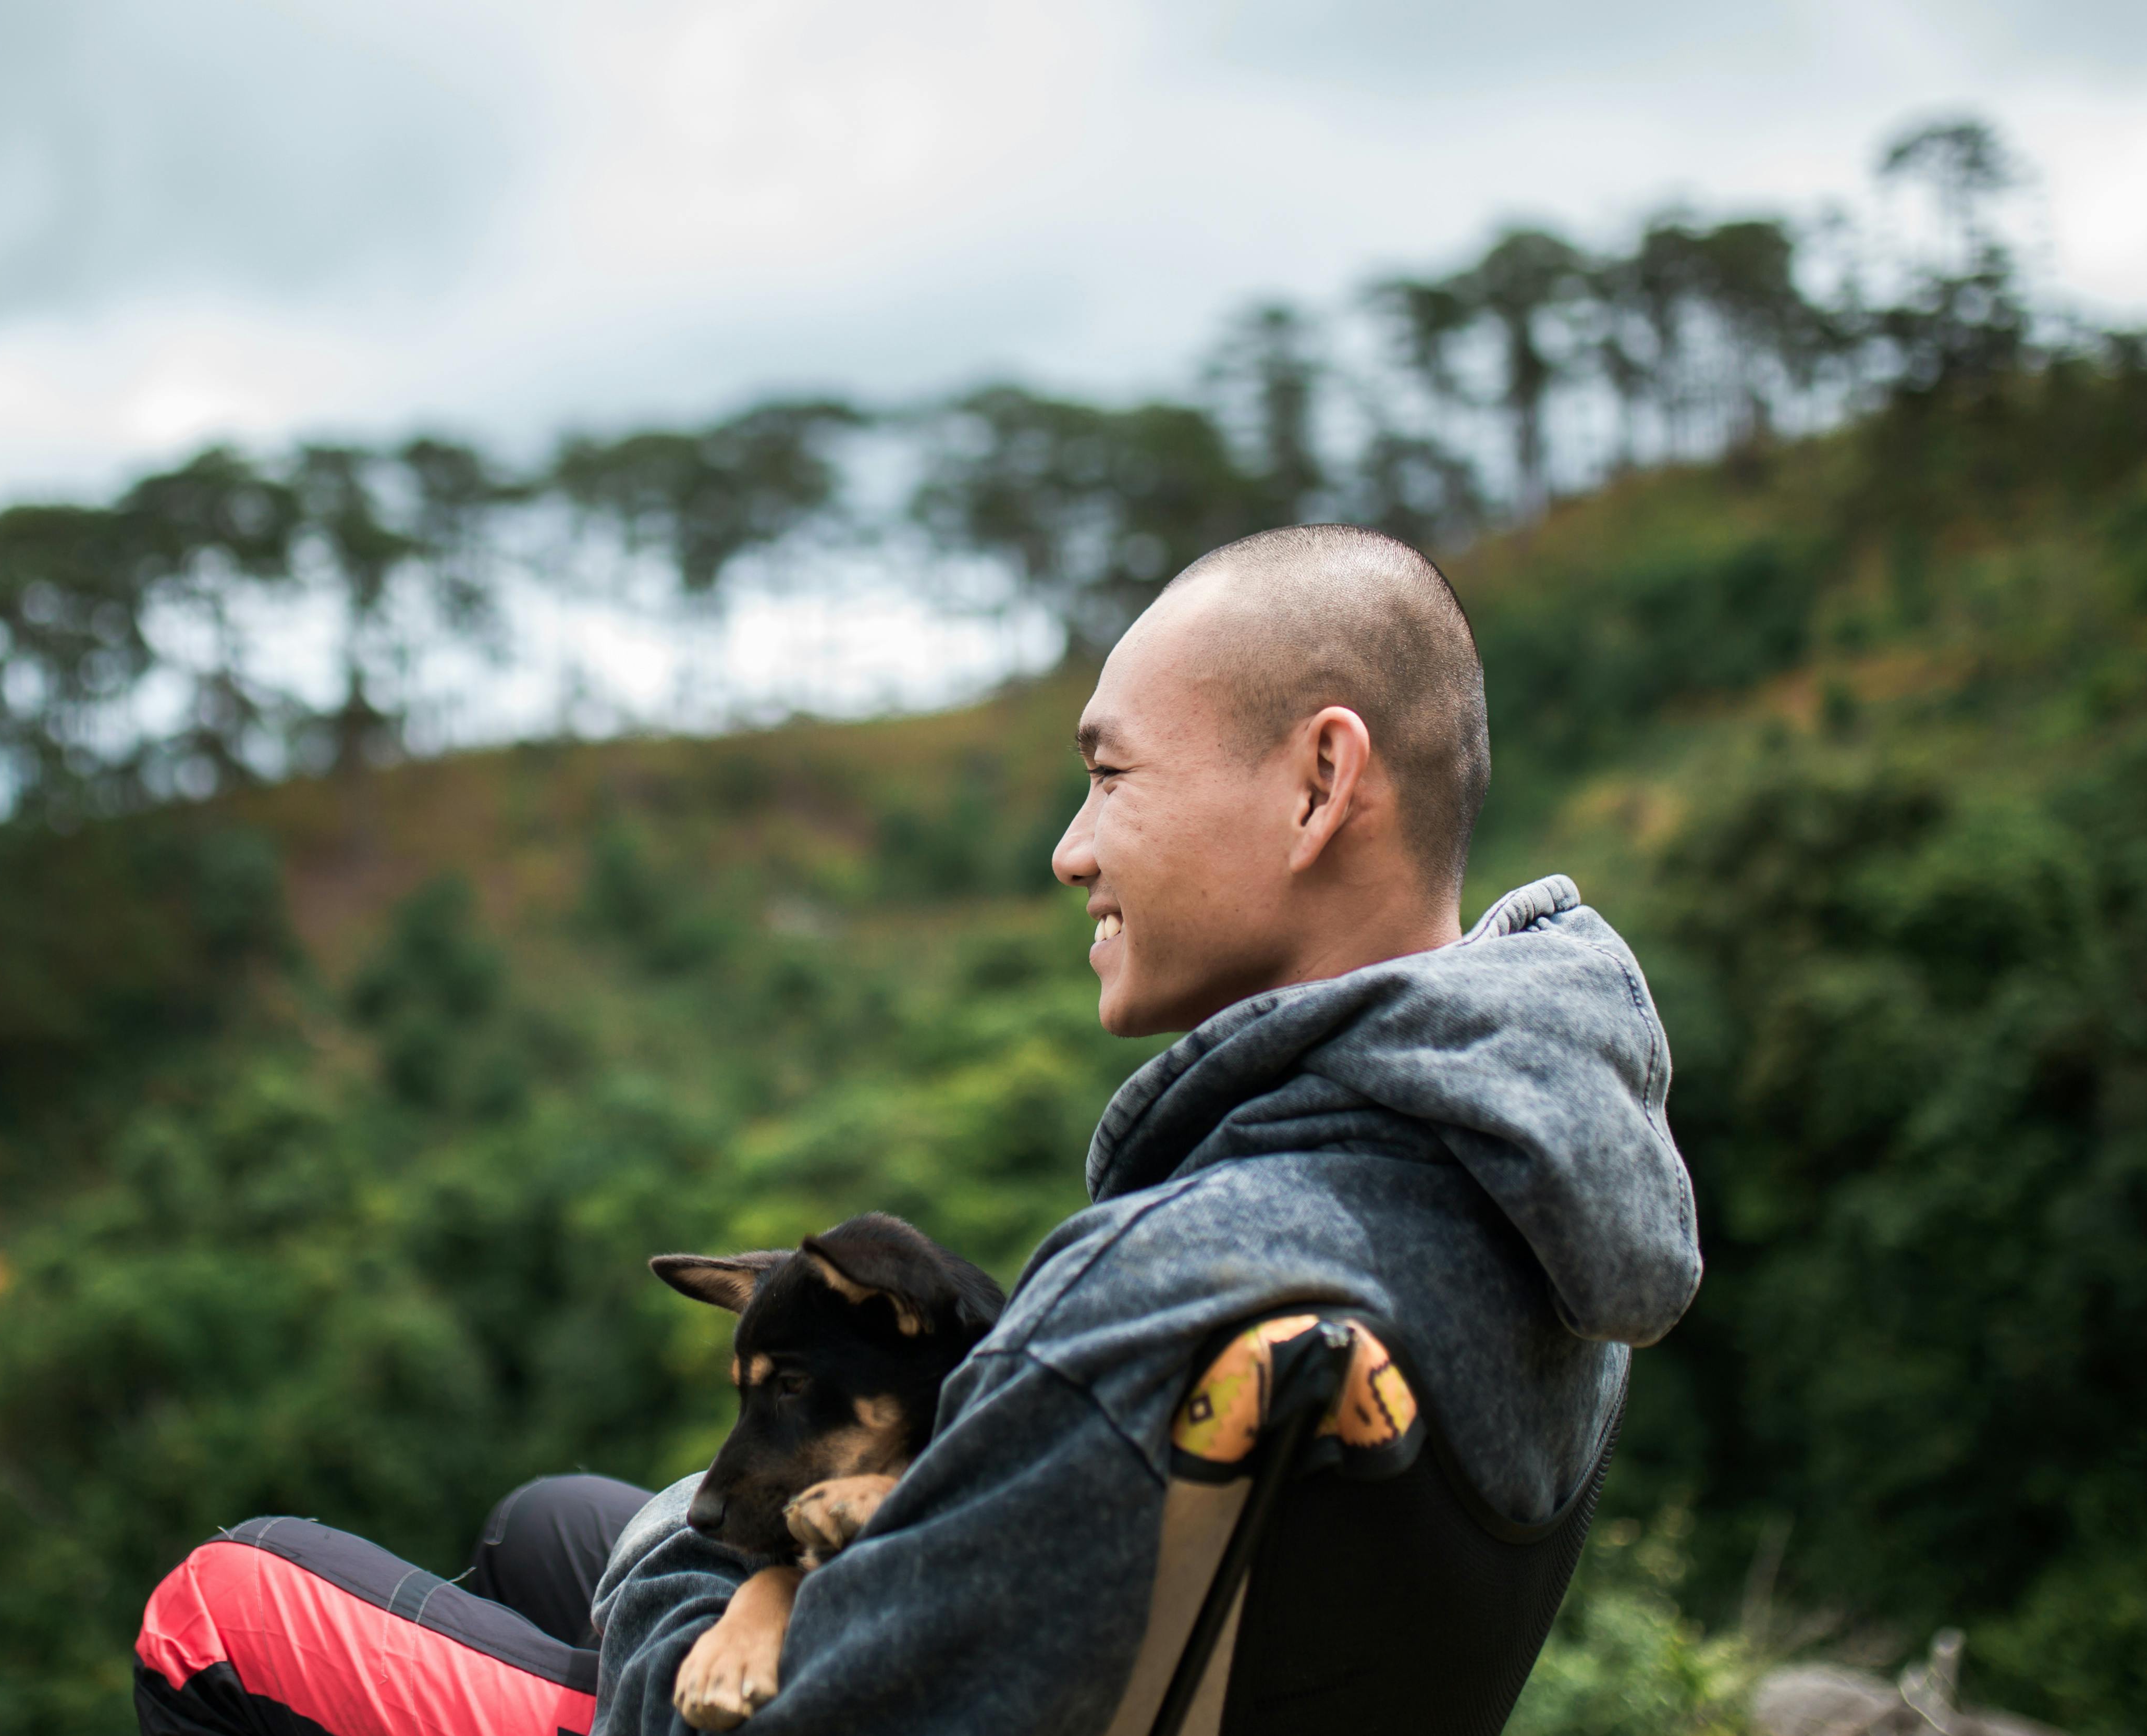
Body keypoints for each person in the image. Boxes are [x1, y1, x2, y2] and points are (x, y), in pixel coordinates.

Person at [134, 523, 1701, 1736]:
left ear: (1317, 782)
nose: (1068, 851)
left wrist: (714, 1554)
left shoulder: (1183, 1280)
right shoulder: (1533, 1172)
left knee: (223, 1598)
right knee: (551, 1522)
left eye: (1107, 776)